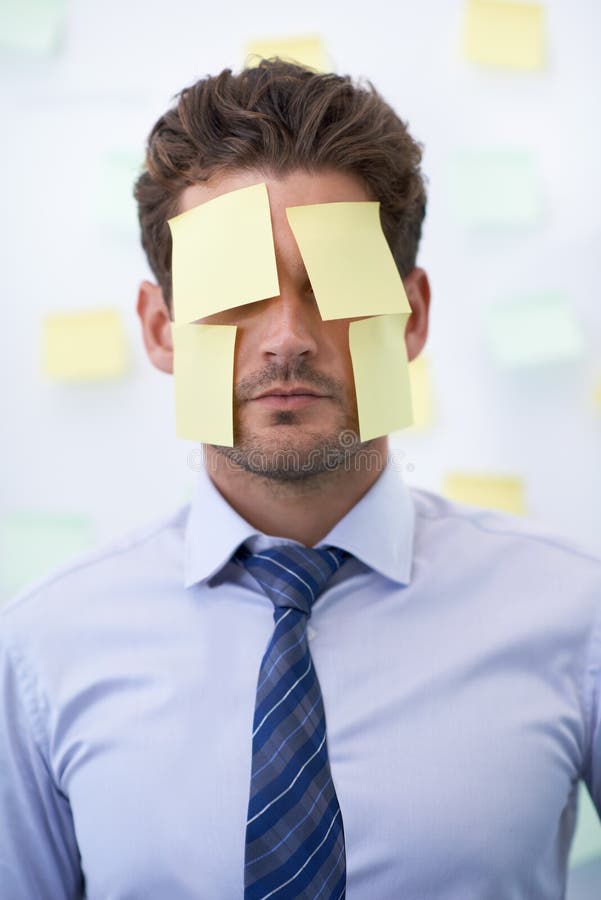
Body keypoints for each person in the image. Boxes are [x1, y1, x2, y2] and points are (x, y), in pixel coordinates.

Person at [1, 60, 600, 900]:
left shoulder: (576, 617)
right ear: (160, 328)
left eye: (332, 287)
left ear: (412, 315)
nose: (286, 337)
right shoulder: (41, 648)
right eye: (233, 295)